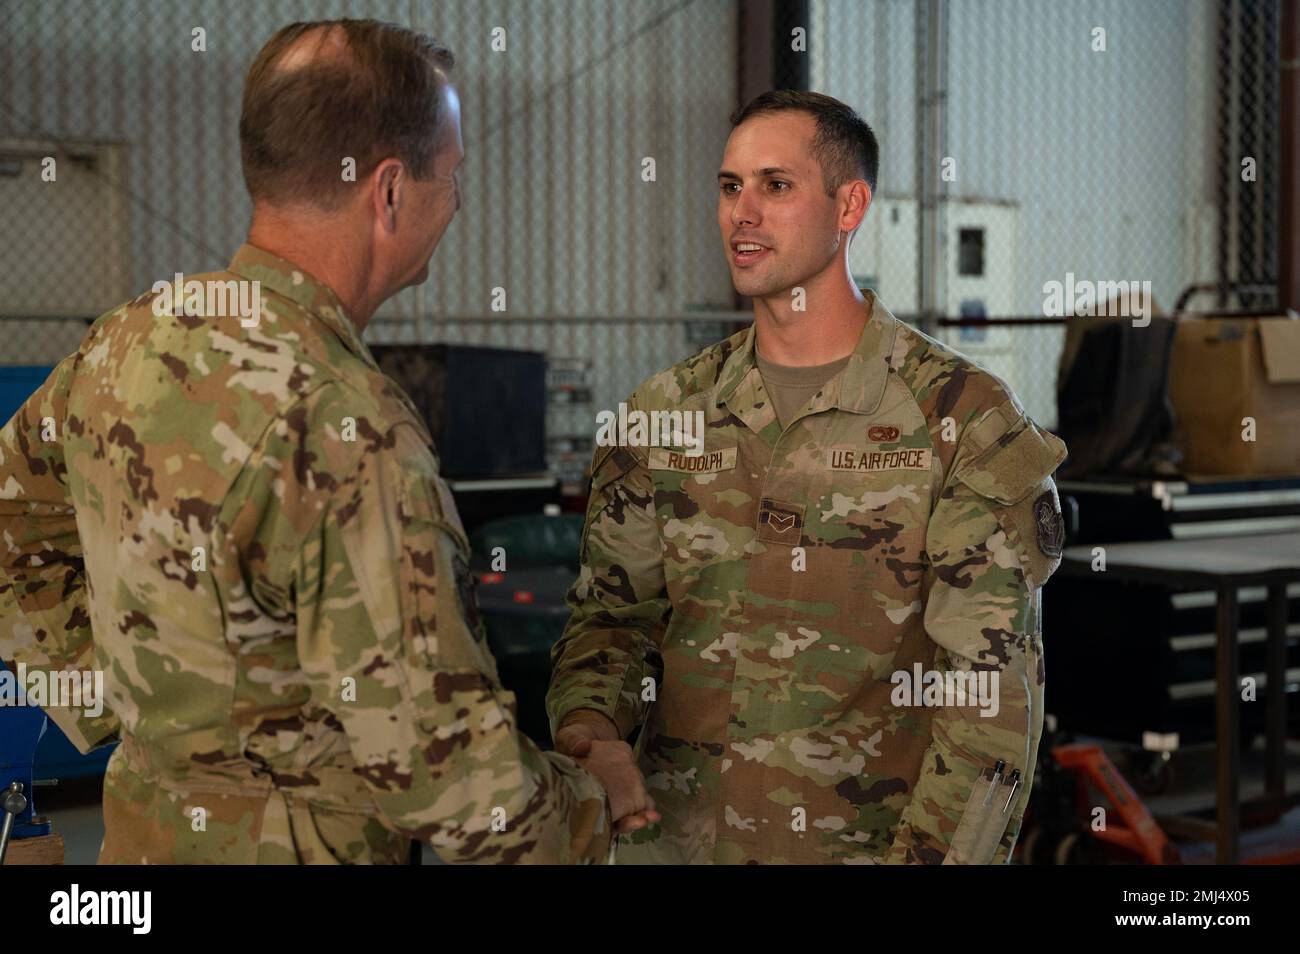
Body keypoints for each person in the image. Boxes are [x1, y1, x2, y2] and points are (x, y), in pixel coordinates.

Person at [0, 18, 654, 865]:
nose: (457, 203)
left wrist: (117, 696)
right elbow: (455, 786)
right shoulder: (350, 429)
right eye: (452, 178)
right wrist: (595, 806)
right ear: (388, 192)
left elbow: (14, 518)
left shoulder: (124, 341)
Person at [547, 90, 1066, 864]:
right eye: (730, 187)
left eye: (775, 185)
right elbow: (610, 622)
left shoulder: (960, 419)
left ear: (849, 204)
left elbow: (986, 699)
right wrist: (592, 737)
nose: (741, 213)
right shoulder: (664, 413)